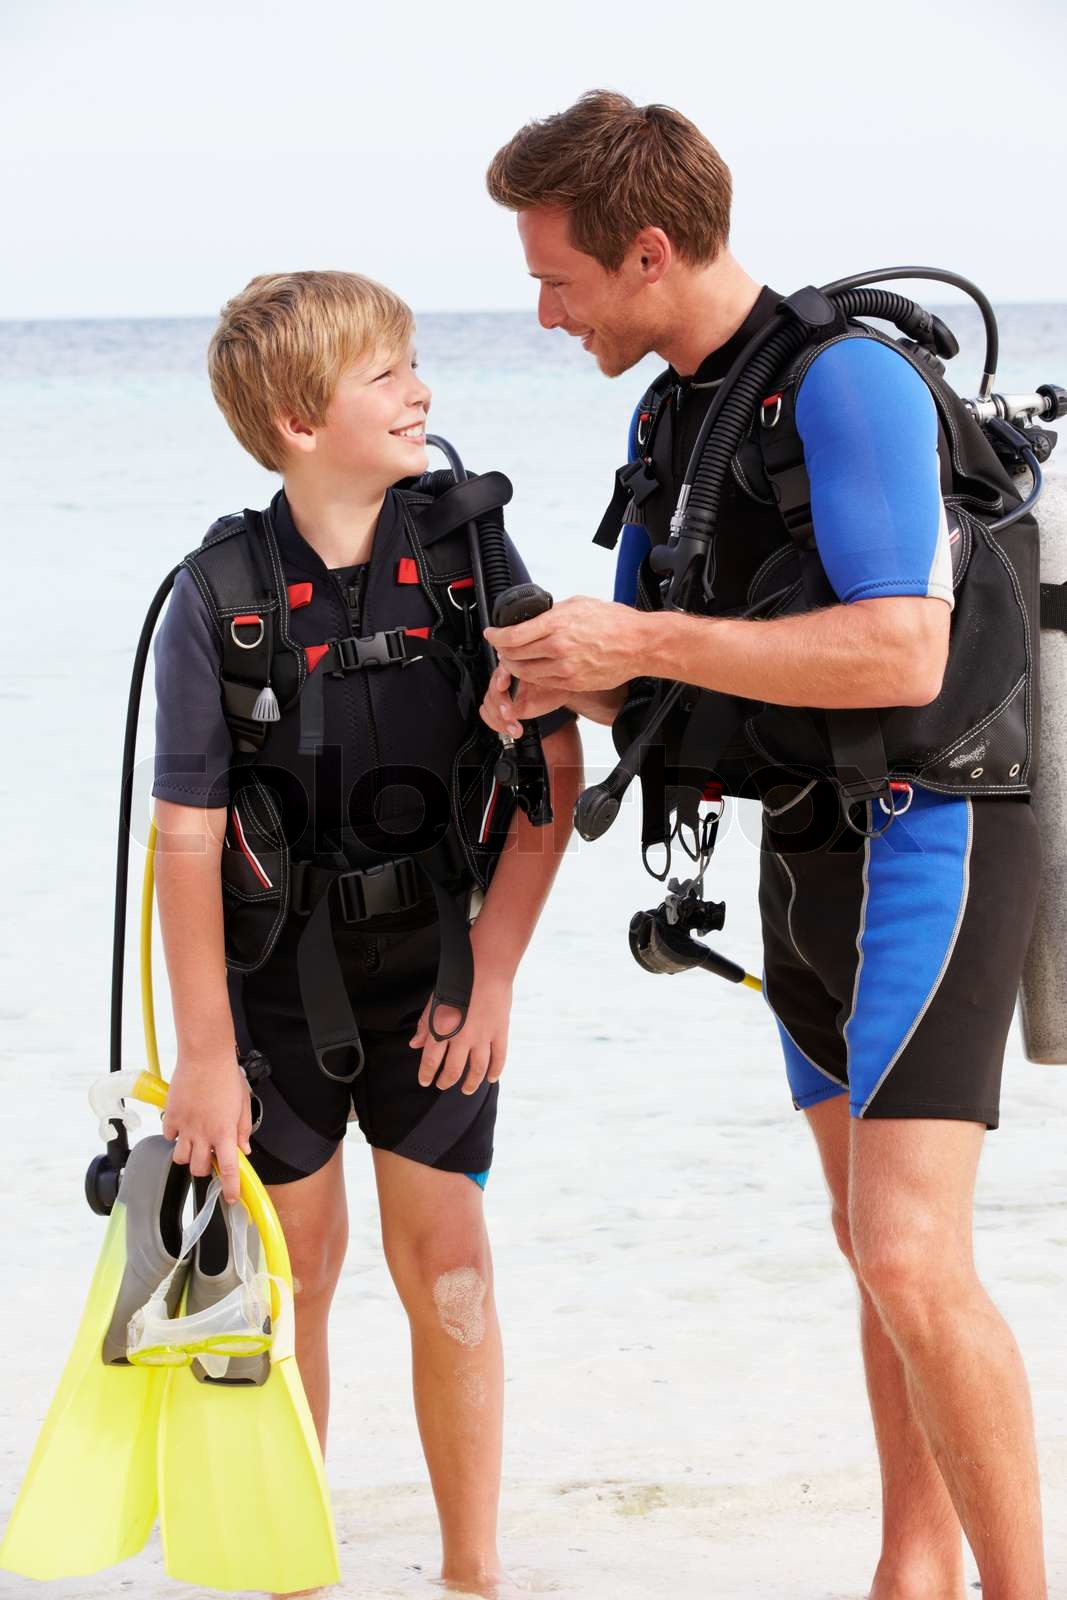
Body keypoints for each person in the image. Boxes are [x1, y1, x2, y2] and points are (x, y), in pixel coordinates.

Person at [481, 92, 1046, 1600]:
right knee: (874, 1252)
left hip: (934, 837)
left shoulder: (849, 385)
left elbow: (900, 653)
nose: (542, 311)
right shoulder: (673, 417)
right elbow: (650, 670)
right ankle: (907, 1575)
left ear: (649, 249)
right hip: (806, 853)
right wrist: (540, 667)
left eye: (560, 278)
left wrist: (642, 634)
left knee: (915, 1254)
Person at [151, 269, 581, 1596]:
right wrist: (204, 1058)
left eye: (415, 365)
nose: (422, 393)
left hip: (435, 976)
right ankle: (295, 1577)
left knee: (449, 1264)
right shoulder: (213, 597)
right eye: (386, 372)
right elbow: (184, 839)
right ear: (296, 417)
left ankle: (471, 1576)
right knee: (293, 1283)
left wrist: (496, 972)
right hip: (267, 984)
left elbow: (551, 779)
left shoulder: (466, 563)